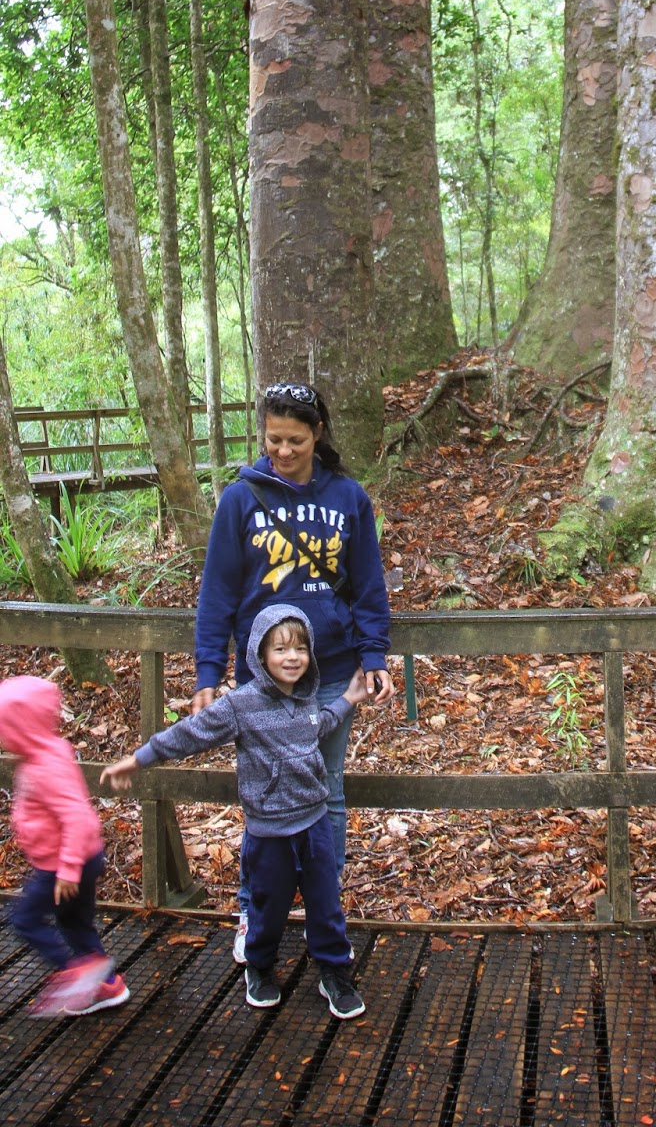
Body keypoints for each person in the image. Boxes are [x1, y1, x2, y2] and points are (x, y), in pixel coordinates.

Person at [191, 381, 394, 961]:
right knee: (265, 797)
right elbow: (219, 593)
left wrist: (373, 654)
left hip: (330, 669)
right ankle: (257, 911)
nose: (282, 451)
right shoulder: (240, 499)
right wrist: (208, 672)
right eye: (273, 439)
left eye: (294, 440)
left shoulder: (348, 497)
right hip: (262, 682)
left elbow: (367, 585)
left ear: (318, 435)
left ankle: (322, 913)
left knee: (326, 795)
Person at [102, 605, 368, 1017]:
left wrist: (348, 698)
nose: (292, 657)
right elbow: (191, 733)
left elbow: (320, 726)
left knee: (325, 901)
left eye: (300, 648)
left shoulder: (308, 696)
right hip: (269, 832)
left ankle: (334, 970)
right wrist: (139, 759)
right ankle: (260, 967)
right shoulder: (240, 705)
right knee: (267, 904)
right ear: (261, 655)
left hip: (313, 823)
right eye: (280, 649)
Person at [0, 676, 129, 1018]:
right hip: (70, 859)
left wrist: (68, 868)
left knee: (25, 920)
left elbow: (78, 818)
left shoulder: (45, 766)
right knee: (74, 924)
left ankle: (77, 974)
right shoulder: (40, 754)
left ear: (21, 726)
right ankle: (108, 983)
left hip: (64, 865)